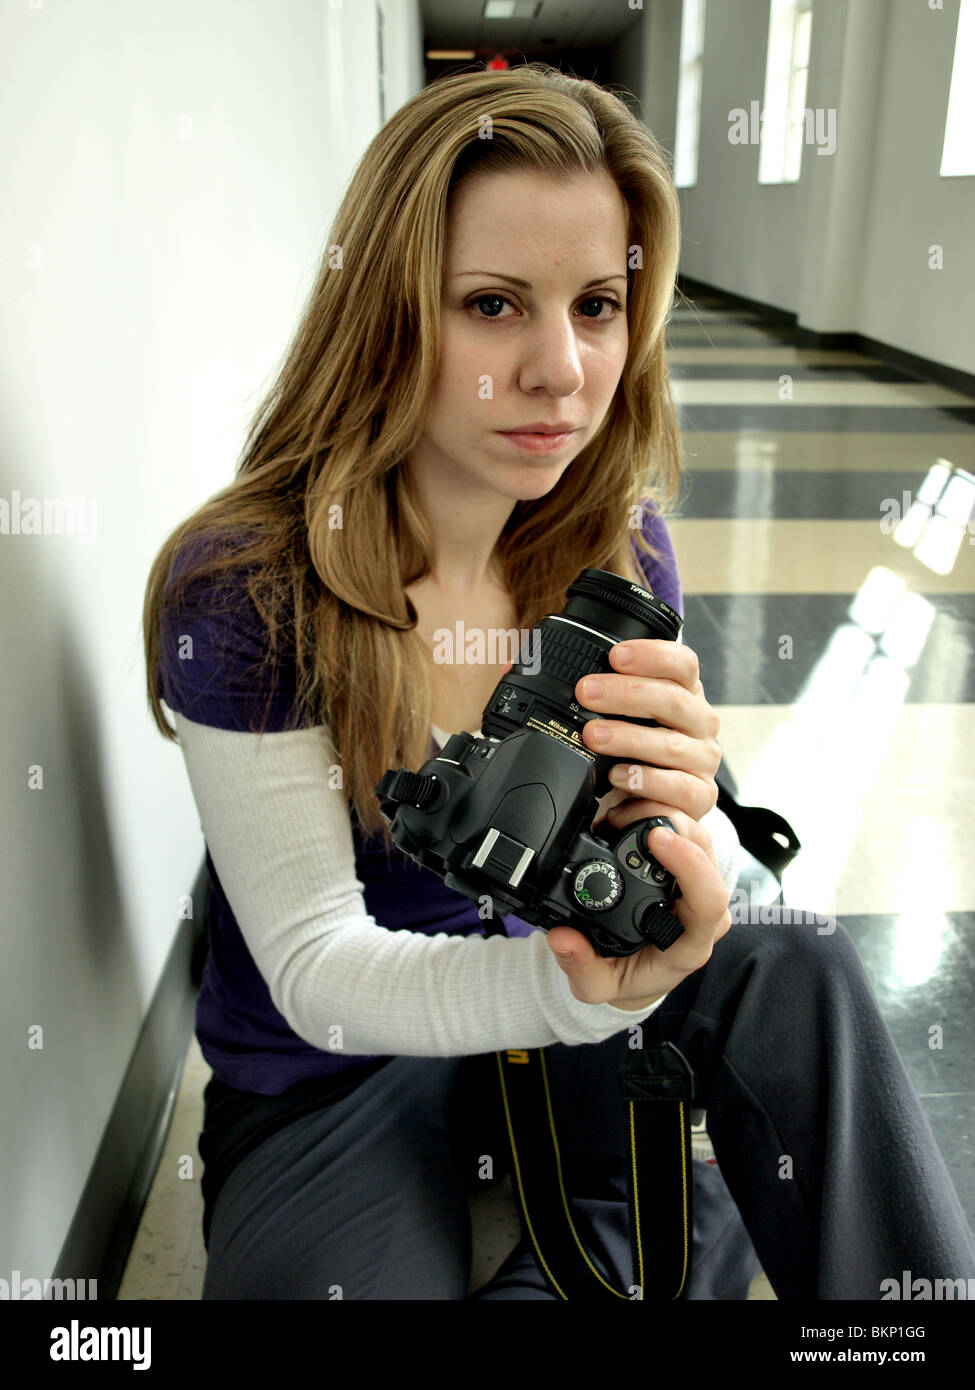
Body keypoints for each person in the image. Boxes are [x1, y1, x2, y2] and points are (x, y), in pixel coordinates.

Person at [143, 63, 975, 1300]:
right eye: (491, 304)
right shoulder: (251, 582)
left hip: (567, 988)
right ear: (384, 311)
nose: (562, 370)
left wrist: (676, 829)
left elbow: (636, 876)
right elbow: (318, 972)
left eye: (597, 303)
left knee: (791, 958)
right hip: (336, 1062)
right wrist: (579, 995)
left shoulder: (619, 548)